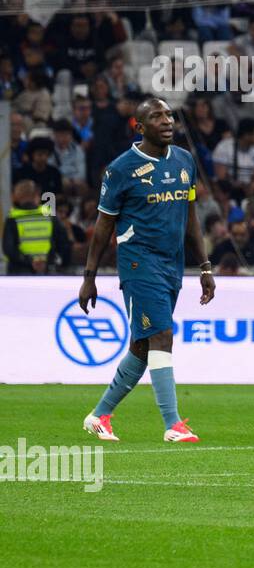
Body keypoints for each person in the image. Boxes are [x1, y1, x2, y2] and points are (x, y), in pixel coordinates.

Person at [79, 97, 215, 444]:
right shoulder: (120, 169)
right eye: (157, 116)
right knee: (162, 336)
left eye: (169, 114)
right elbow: (103, 226)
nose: (167, 120)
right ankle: (173, 424)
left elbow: (191, 219)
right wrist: (89, 278)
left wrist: (205, 266)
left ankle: (100, 416)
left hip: (172, 265)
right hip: (139, 263)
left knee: (142, 346)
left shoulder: (185, 161)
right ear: (139, 127)